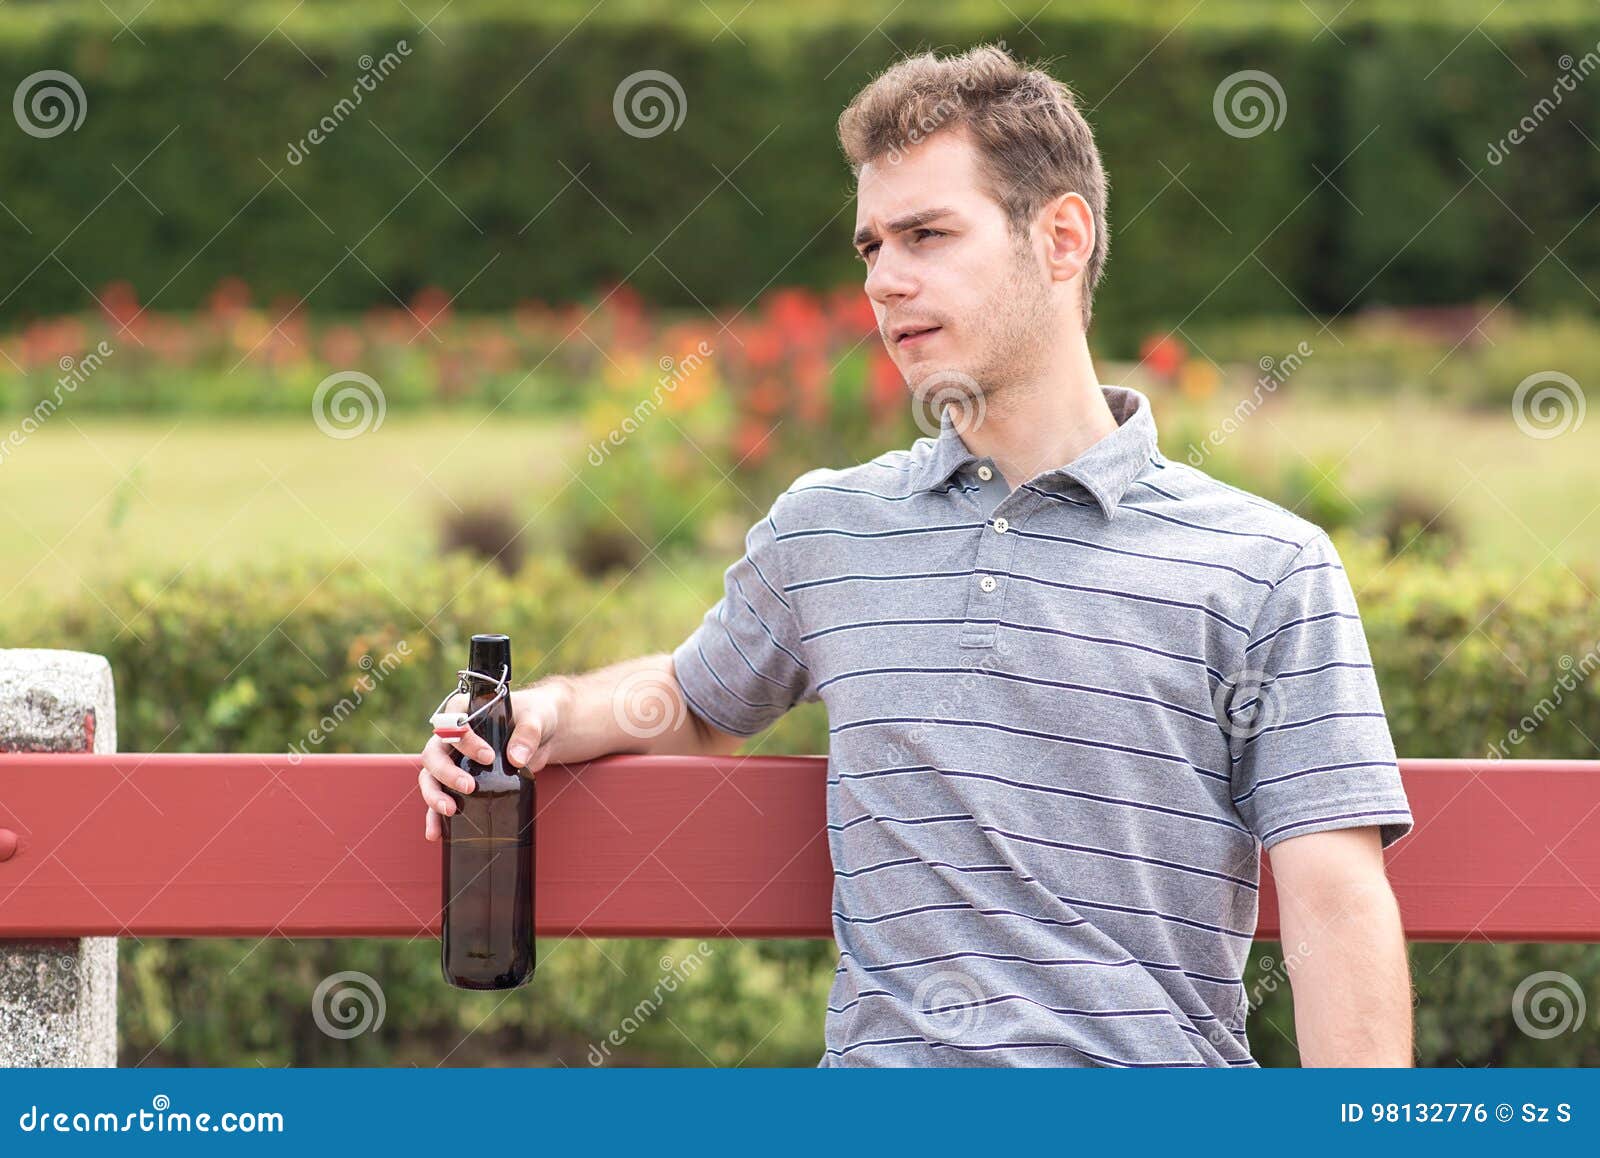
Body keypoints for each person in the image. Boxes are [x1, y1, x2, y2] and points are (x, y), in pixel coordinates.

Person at [419, 42, 1415, 1068]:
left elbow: (1335, 901)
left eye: (928, 235)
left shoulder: (1261, 565)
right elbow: (693, 695)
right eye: (870, 247)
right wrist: (542, 715)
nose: (885, 281)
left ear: (1060, 237)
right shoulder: (829, 530)